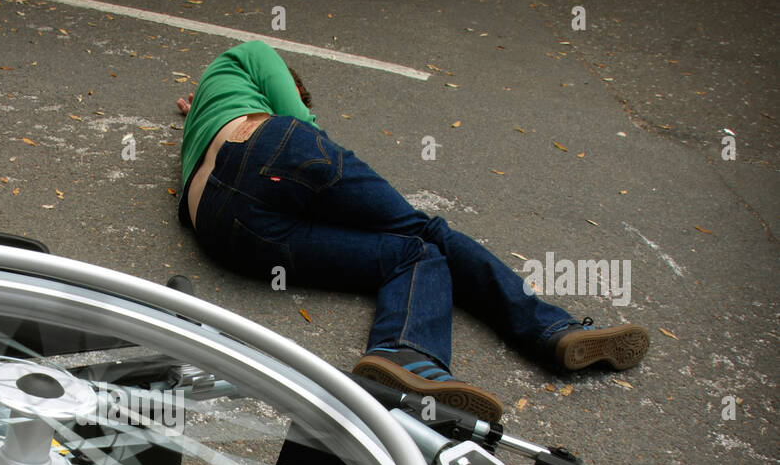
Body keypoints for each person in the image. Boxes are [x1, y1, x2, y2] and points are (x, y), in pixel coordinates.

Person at [175, 40, 649, 422]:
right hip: (273, 149)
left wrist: (197, 112)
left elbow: (230, 159)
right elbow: (299, 122)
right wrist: (299, 115)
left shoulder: (204, 114)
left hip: (219, 227)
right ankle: (551, 328)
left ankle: (404, 355)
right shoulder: (251, 54)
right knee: (426, 233)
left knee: (411, 255)